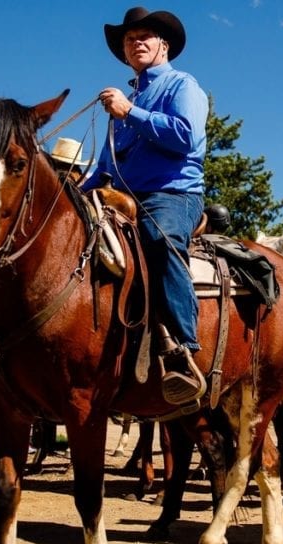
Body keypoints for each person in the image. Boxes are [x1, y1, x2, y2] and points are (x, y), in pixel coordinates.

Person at [82, 6, 208, 406]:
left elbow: (184, 137)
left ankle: (182, 352)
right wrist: (73, 196)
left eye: (144, 36)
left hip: (172, 194)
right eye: (128, 39)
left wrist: (130, 112)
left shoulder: (182, 85)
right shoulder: (125, 102)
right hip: (120, 198)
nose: (134, 42)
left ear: (163, 45)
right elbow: (105, 165)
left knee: (160, 239)